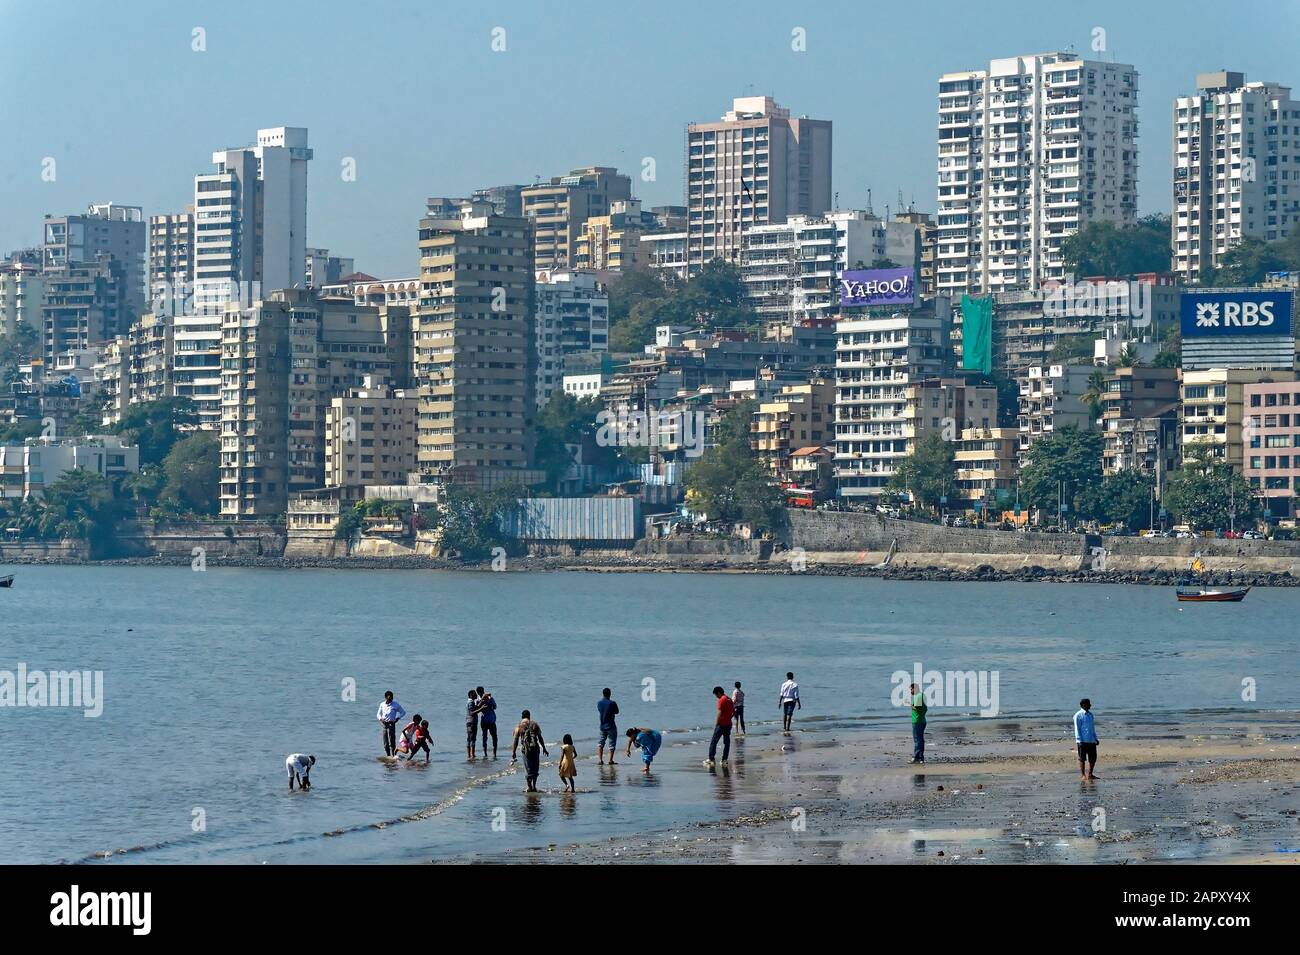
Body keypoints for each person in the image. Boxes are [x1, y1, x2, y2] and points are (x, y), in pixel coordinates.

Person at [511, 710, 549, 792]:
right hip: (536, 749)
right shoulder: (534, 724)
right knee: (535, 768)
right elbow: (540, 737)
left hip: (526, 751)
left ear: (522, 717)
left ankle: (529, 787)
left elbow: (516, 741)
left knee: (528, 768)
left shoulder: (519, 726)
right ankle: (534, 786)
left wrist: (513, 752)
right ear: (529, 716)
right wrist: (544, 748)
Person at [705, 686, 734, 767]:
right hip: (728, 724)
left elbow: (720, 713)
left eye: (716, 695)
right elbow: (733, 712)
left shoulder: (722, 699)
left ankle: (711, 759)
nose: (716, 697)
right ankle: (724, 760)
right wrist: (728, 718)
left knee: (714, 741)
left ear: (719, 693)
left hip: (721, 725)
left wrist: (717, 723)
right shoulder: (729, 699)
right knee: (727, 742)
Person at [1074, 698, 1099, 780]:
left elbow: (1092, 728)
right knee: (1082, 758)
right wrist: (1079, 740)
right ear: (1083, 705)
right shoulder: (1078, 715)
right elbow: (1077, 729)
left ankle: (1090, 774)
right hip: (1082, 740)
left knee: (1093, 758)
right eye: (1088, 704)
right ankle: (1082, 775)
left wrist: (1095, 738)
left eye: (1090, 703)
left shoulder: (1090, 715)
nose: (1090, 705)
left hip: (1091, 740)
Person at [377, 691, 406, 757]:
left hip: (391, 724)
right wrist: (381, 719)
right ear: (386, 697)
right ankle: (388, 756)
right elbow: (378, 714)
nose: (391, 699)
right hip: (384, 725)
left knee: (392, 741)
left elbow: (403, 712)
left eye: (392, 698)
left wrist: (397, 718)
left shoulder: (395, 704)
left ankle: (393, 755)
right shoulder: (382, 704)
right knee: (385, 742)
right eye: (389, 698)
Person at [596, 687, 620, 765]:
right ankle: (610, 760)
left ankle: (600, 760)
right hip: (611, 725)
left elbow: (600, 710)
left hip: (602, 726)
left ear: (603, 694)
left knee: (601, 743)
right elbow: (617, 711)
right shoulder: (612, 703)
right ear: (610, 694)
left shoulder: (599, 703)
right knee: (612, 743)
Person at [475, 687, 498, 758]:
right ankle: (485, 753)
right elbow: (477, 708)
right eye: (480, 692)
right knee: (484, 737)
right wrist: (482, 701)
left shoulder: (490, 698)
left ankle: (494, 753)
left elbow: (495, 707)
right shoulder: (477, 700)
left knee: (494, 737)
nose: (481, 693)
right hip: (484, 721)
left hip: (491, 720)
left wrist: (490, 701)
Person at [909, 682, 927, 764]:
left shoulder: (917, 696)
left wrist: (909, 704)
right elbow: (925, 708)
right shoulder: (923, 695)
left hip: (917, 721)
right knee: (920, 740)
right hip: (922, 720)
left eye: (911, 689)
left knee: (917, 740)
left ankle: (916, 757)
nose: (911, 691)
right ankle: (921, 758)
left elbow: (916, 708)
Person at [465, 689, 480, 759]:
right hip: (472, 722)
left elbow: (474, 708)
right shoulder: (471, 702)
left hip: (468, 722)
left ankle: (469, 755)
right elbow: (472, 712)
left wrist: (480, 705)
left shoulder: (470, 701)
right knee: (472, 738)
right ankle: (472, 754)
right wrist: (481, 709)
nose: (476, 695)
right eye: (475, 694)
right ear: (471, 695)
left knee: (469, 738)